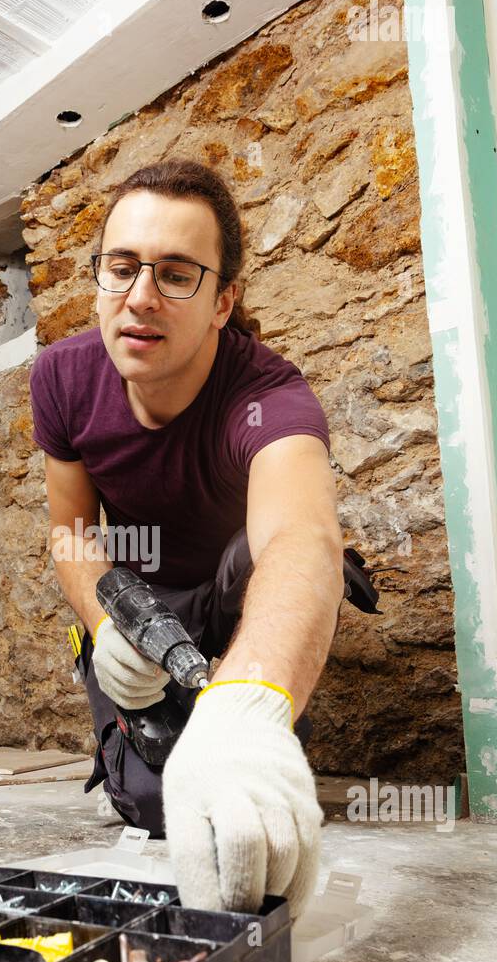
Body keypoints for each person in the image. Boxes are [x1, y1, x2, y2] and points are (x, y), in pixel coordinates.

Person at [29, 158, 371, 919]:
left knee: (241, 795)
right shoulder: (60, 377)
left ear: (224, 299)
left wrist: (250, 706)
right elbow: (72, 530)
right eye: (121, 269)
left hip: (232, 590)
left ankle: (251, 716)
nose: (140, 299)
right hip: (139, 596)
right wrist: (105, 627)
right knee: (154, 805)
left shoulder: (270, 395)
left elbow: (300, 540)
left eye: (177, 275)